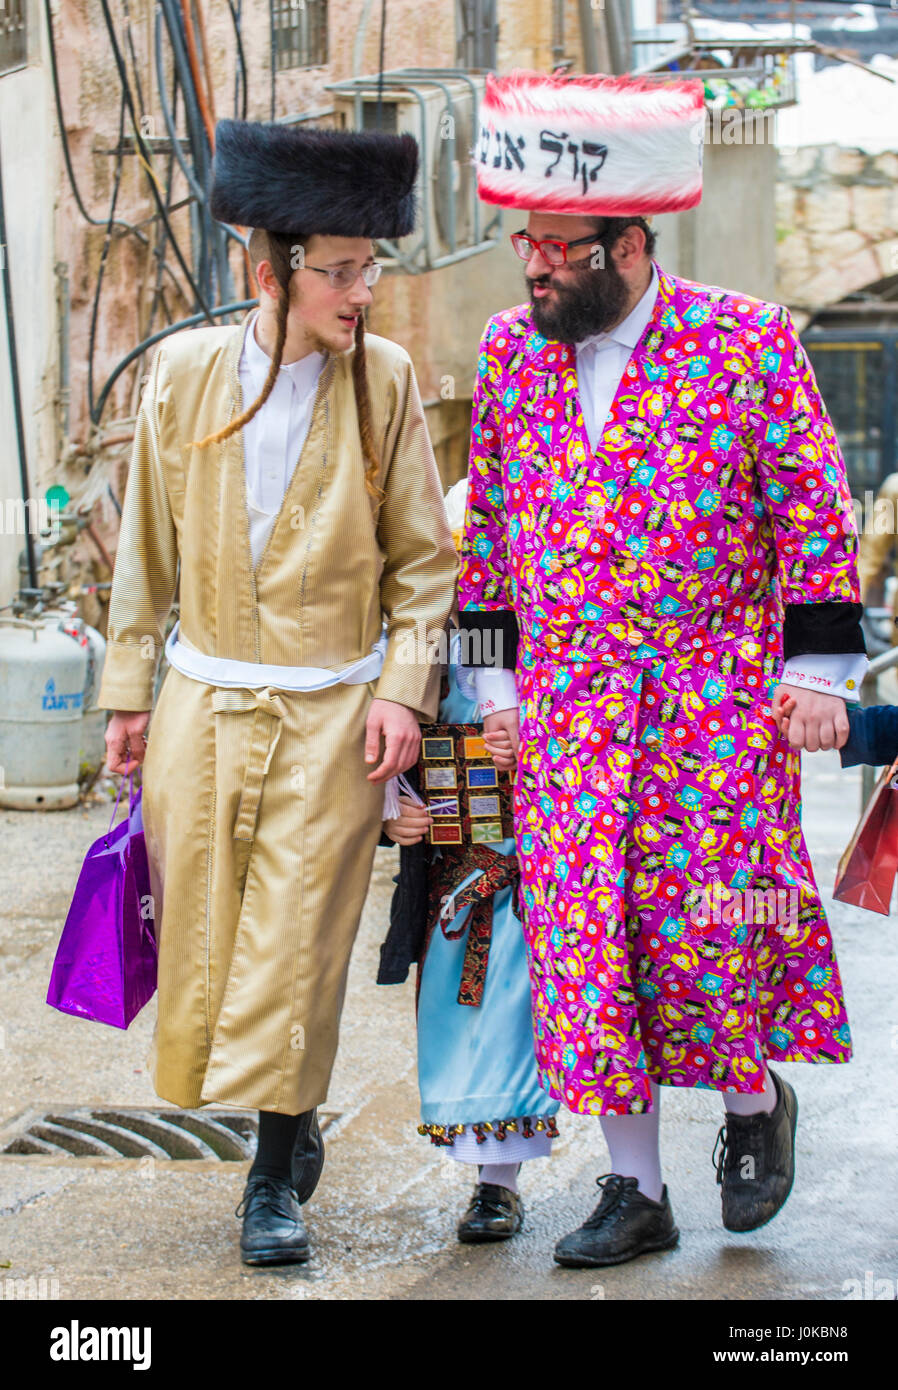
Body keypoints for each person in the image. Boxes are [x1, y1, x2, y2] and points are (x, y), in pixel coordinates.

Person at [457, 70, 867, 1268]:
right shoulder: (507, 355)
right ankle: (634, 1187)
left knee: (711, 928)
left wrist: (821, 673)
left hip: (713, 706)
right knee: (592, 947)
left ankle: (751, 1109)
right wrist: (492, 686)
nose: (532, 267)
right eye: (523, 243)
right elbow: (486, 540)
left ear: (630, 244)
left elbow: (812, 512)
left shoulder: (744, 341)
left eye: (556, 246)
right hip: (569, 717)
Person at [98, 119, 457, 1266]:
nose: (363, 290)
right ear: (270, 269)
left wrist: (404, 689)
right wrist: (129, 697)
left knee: (298, 938)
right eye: (340, 270)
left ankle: (272, 1168)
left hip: (335, 714)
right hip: (206, 702)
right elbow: (144, 552)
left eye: (371, 268)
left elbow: (425, 562)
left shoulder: (385, 384)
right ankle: (273, 1130)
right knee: (207, 931)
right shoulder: (184, 373)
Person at [379, 478, 559, 1243]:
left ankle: (520, 1179)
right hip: (455, 876)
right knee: (468, 1015)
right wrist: (395, 807)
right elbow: (387, 722)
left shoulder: (530, 627)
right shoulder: (418, 636)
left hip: (539, 865)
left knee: (526, 1013)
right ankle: (492, 1184)